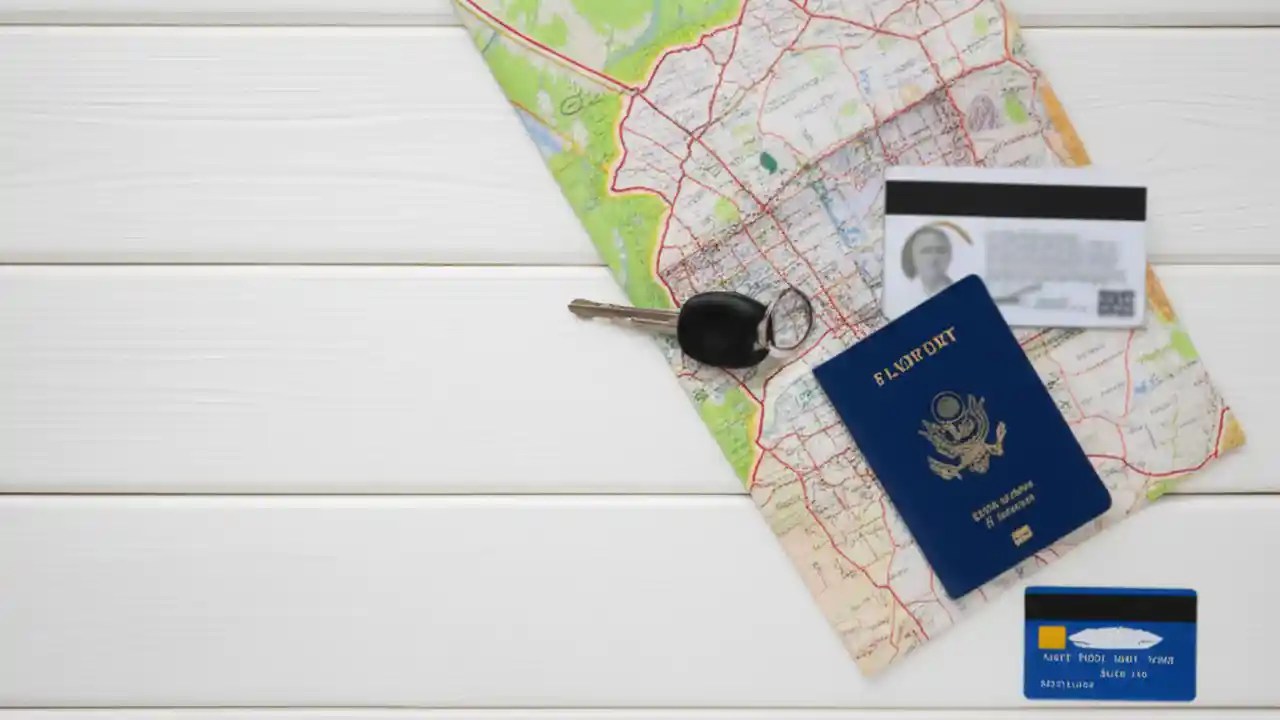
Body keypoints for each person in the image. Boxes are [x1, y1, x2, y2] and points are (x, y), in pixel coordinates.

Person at [900, 224, 955, 307]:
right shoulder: (904, 299)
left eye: (941, 251)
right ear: (913, 257)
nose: (933, 257)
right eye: (926, 251)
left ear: (950, 256)